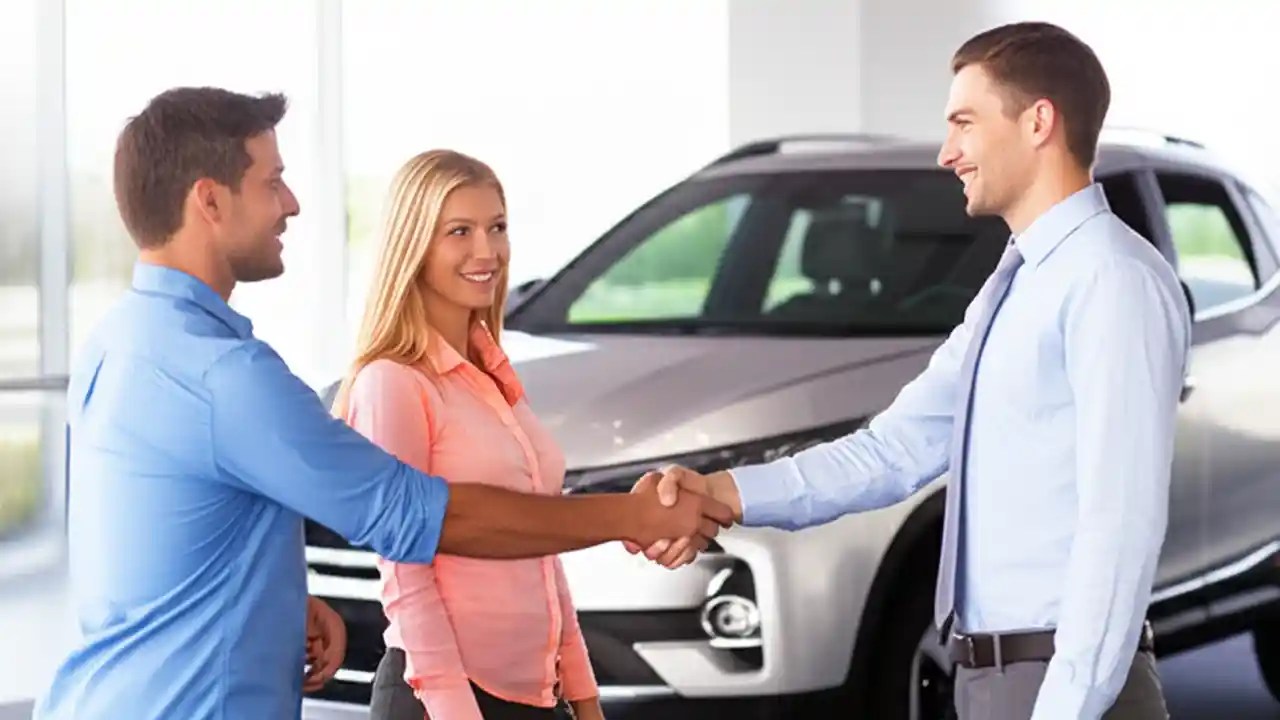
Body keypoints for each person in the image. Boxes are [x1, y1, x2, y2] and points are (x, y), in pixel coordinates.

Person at [33, 87, 731, 720]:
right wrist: (629, 515)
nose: (293, 203)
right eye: (271, 181)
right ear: (210, 202)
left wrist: (277, 608)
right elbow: (417, 517)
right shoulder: (228, 375)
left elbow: (144, 539)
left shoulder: (119, 342)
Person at [629, 21, 1188, 720]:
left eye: (964, 122)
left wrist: (1064, 708)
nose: (948, 152)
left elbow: (1121, 523)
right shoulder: (1014, 284)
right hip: (993, 680)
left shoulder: (1111, 279)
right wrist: (721, 492)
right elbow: (891, 450)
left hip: (1063, 687)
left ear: (1039, 121)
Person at [336, 149, 603, 720]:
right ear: (415, 244)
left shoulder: (494, 376)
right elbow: (405, 574)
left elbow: (541, 550)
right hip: (444, 700)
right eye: (460, 231)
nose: (488, 251)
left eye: (497, 228)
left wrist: (583, 696)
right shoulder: (392, 383)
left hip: (537, 697)